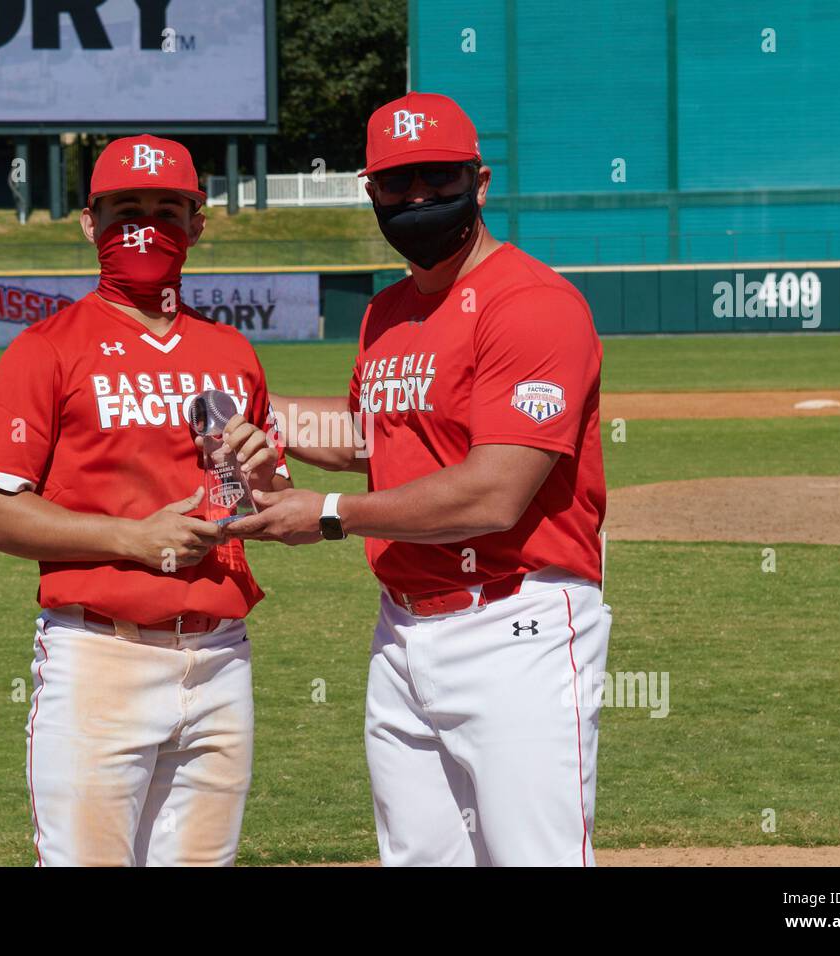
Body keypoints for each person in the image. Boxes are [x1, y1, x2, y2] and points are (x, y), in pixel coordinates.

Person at [229, 93, 612, 866]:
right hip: (402, 630)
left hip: (515, 621)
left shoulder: (532, 304)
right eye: (395, 184)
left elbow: (494, 493)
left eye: (437, 179)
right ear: (370, 191)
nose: (417, 200)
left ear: (481, 180)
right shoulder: (388, 311)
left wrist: (330, 514)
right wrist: (254, 416)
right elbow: (374, 436)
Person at [0, 135, 289, 867]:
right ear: (89, 222)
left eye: (167, 208)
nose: (146, 225)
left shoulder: (231, 350)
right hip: (99, 655)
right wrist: (132, 539)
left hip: (220, 657)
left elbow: (265, 507)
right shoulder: (46, 349)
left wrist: (267, 483)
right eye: (125, 208)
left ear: (198, 224)